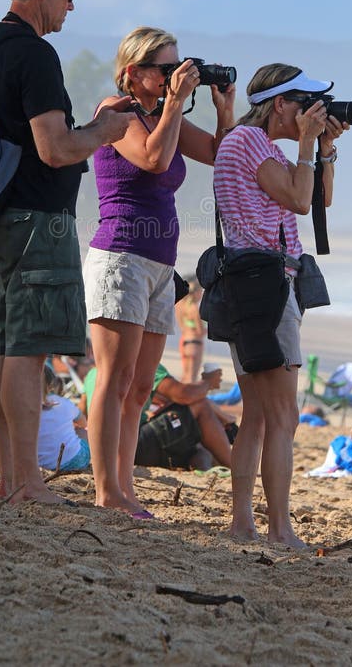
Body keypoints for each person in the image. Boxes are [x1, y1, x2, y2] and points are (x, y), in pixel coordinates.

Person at [0, 0, 134, 505]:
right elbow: (54, 148)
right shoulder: (35, 54)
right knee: (28, 349)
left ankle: (8, 478)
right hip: (39, 220)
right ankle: (26, 482)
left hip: (1, 217)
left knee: (0, 345)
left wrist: (90, 124)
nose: (72, 6)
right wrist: (105, 133)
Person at [83, 26, 235, 514]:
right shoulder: (116, 111)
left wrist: (223, 107)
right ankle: (107, 490)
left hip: (159, 265)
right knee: (115, 376)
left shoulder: (159, 113)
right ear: (134, 73)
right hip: (120, 257)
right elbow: (153, 158)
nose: (175, 77)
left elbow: (219, 154)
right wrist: (174, 103)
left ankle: (124, 488)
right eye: (166, 69)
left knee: (141, 386)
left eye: (178, 67)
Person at [214, 62, 347, 545]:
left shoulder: (257, 145)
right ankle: (279, 529)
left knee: (258, 413)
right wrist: (309, 145)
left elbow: (319, 200)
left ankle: (243, 523)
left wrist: (325, 148)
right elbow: (296, 198)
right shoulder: (248, 141)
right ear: (280, 105)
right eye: (305, 105)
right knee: (284, 416)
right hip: (265, 286)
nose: (312, 113)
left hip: (255, 285)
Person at [82, 362, 232, 482]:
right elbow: (186, 395)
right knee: (200, 406)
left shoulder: (93, 372)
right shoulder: (141, 361)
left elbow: (81, 413)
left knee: (196, 446)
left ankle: (205, 466)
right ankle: (232, 464)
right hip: (133, 445)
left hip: (107, 450)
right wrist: (208, 381)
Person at [37, 364, 90, 473]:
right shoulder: (63, 402)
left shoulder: (25, 406)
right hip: (74, 462)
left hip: (40, 463)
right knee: (82, 431)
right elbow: (83, 422)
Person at [175, 276, 206, 383]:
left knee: (185, 375)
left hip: (184, 341)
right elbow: (199, 331)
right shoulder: (193, 309)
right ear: (196, 292)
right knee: (192, 378)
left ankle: (180, 399)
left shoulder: (180, 305)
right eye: (201, 292)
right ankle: (186, 399)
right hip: (195, 343)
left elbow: (181, 326)